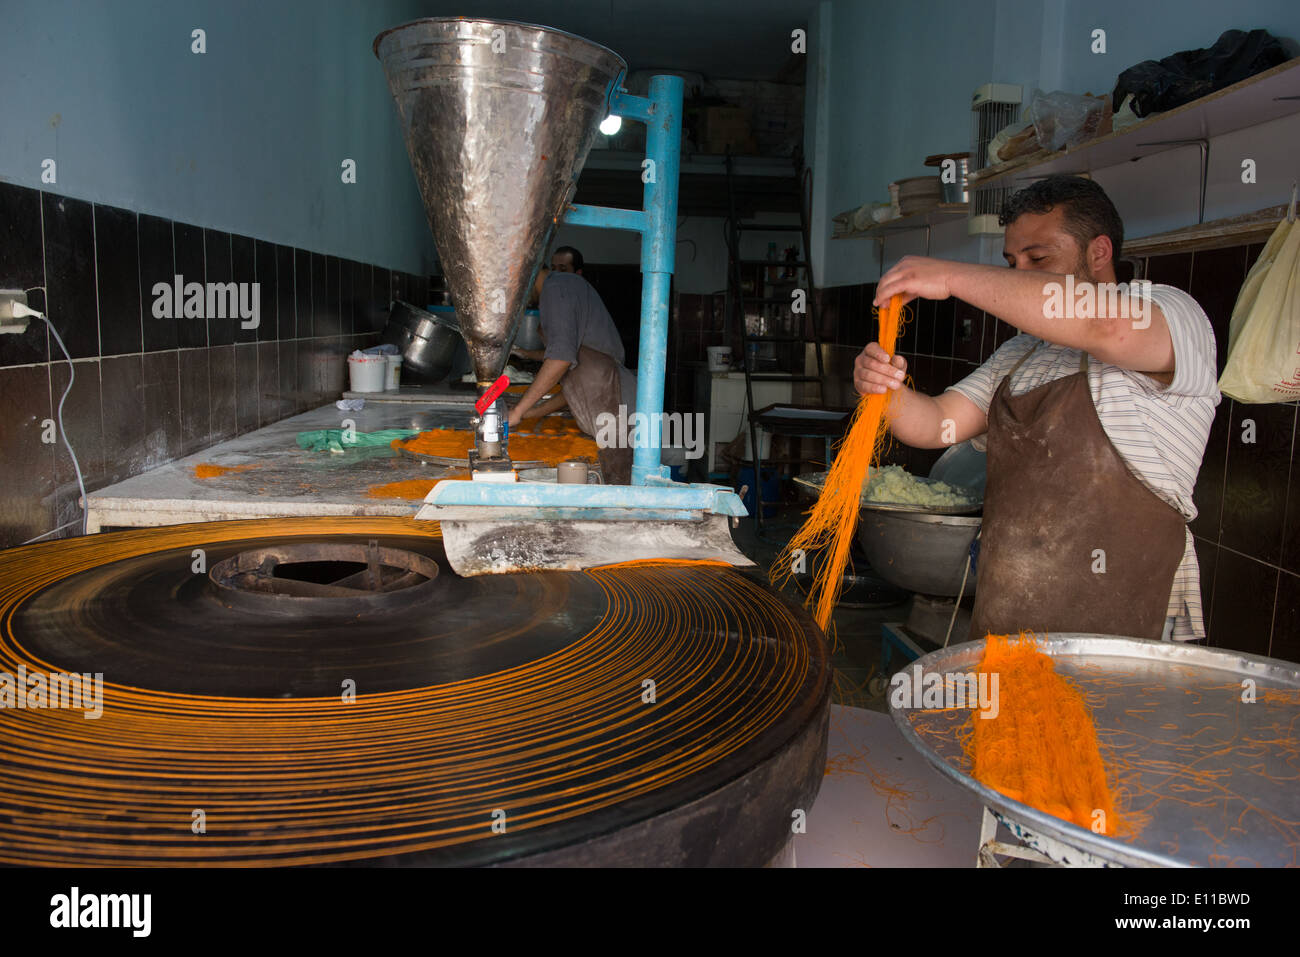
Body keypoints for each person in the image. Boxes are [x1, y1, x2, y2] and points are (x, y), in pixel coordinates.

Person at [854, 175, 1219, 642]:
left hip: (1125, 622)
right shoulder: (1022, 353)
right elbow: (935, 424)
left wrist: (951, 275)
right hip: (1014, 615)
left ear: (1099, 252)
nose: (1020, 274)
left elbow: (1108, 330)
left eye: (1039, 258)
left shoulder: (1168, 311)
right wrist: (886, 391)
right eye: (1011, 262)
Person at [508, 267, 637, 484]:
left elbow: (560, 359)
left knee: (623, 497)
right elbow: (574, 391)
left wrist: (519, 409)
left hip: (620, 414)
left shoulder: (558, 289)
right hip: (610, 419)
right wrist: (531, 414)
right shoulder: (560, 289)